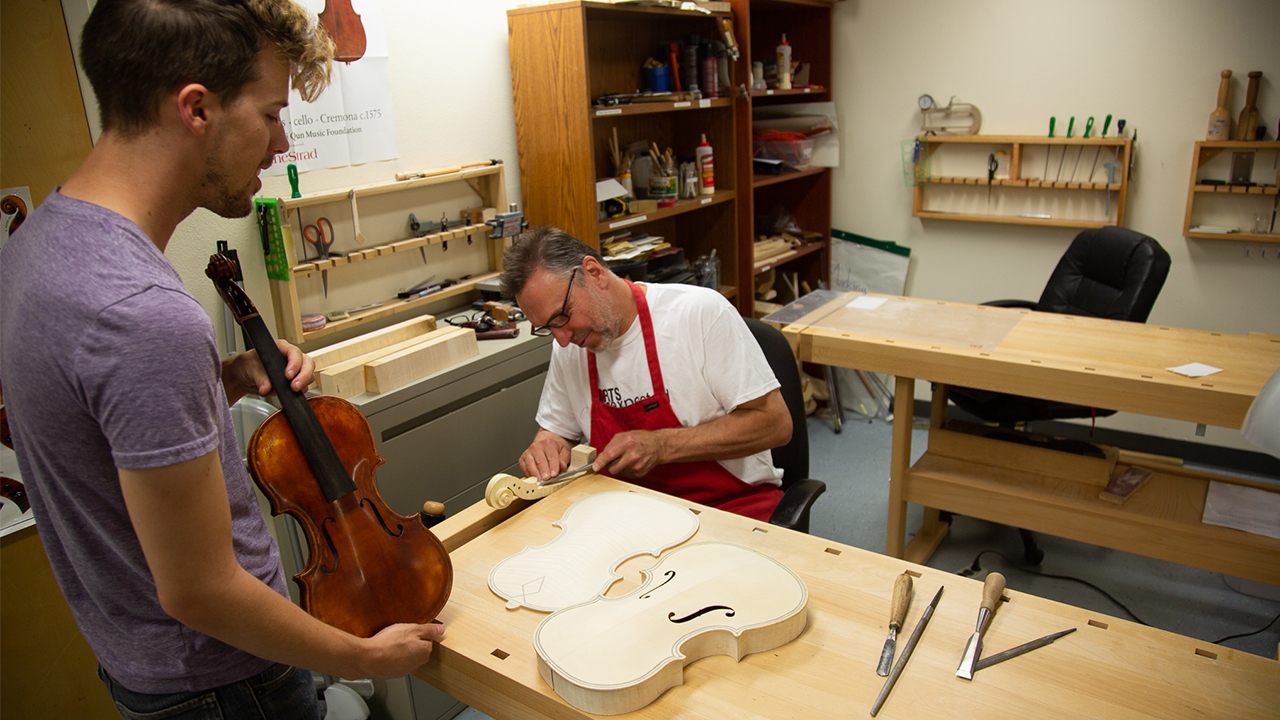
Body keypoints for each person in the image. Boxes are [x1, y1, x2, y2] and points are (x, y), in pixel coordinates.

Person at [0, 2, 442, 717]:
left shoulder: (38, 246)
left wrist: (225, 378)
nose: (281, 143)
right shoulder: (142, 313)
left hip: (142, 668)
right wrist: (364, 656)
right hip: (227, 686)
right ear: (197, 109)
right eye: (270, 114)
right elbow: (199, 589)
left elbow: (95, 413)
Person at [501, 226, 793, 522]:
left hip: (729, 509)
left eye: (562, 317)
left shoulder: (699, 314)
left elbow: (775, 424)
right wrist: (546, 447)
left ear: (594, 272)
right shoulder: (570, 344)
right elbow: (557, 429)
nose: (561, 338)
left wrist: (662, 445)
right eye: (546, 328)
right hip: (630, 514)